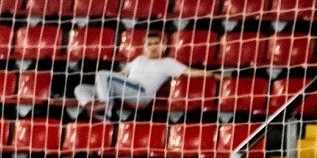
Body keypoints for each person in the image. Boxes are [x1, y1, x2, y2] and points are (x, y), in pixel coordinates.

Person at [73, 31, 217, 115]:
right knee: (80, 88)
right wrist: (106, 84)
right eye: (149, 44)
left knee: (102, 74)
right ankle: (94, 108)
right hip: (125, 90)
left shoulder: (167, 62)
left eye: (156, 43)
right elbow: (123, 74)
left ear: (163, 46)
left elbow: (190, 72)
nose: (153, 47)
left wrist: (214, 74)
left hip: (141, 93)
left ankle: (106, 106)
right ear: (144, 48)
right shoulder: (138, 59)